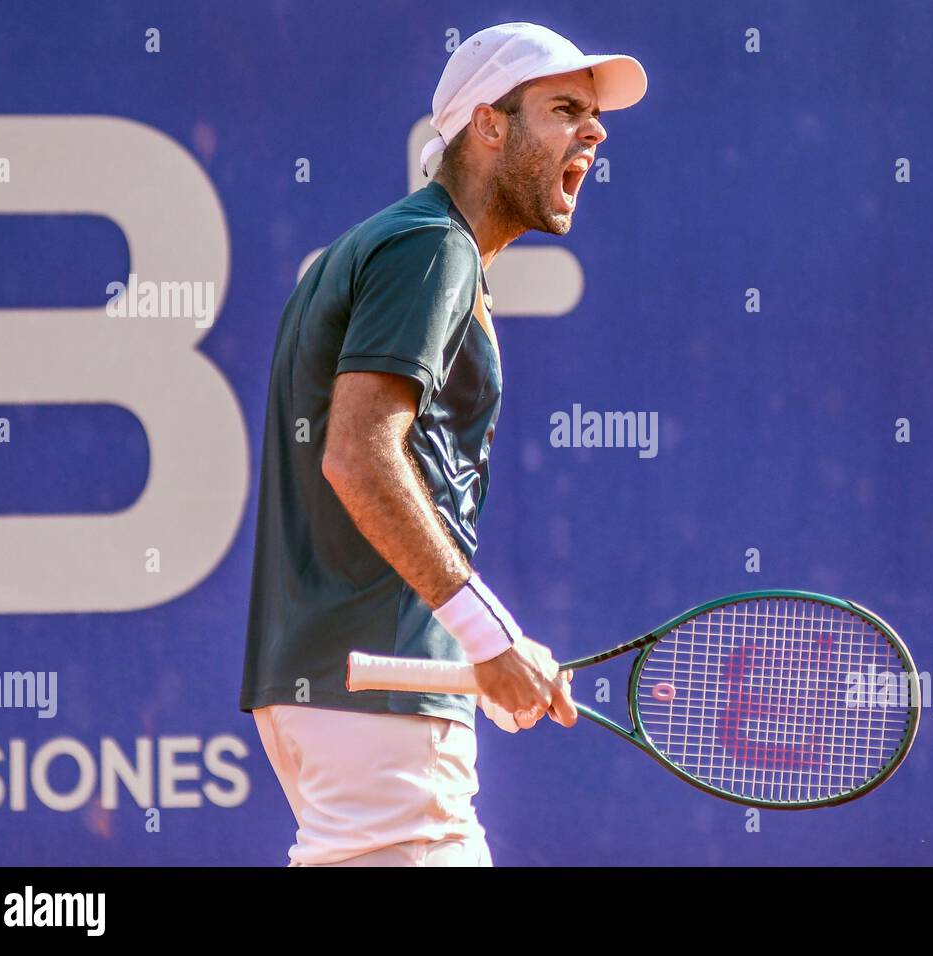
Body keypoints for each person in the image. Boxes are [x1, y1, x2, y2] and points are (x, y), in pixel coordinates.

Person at [239, 22, 648, 866]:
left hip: (338, 683)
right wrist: (488, 639)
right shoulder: (434, 247)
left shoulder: (378, 247)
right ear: (488, 126)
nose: (595, 131)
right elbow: (358, 456)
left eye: (595, 116)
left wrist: (486, 645)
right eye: (564, 108)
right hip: (378, 694)